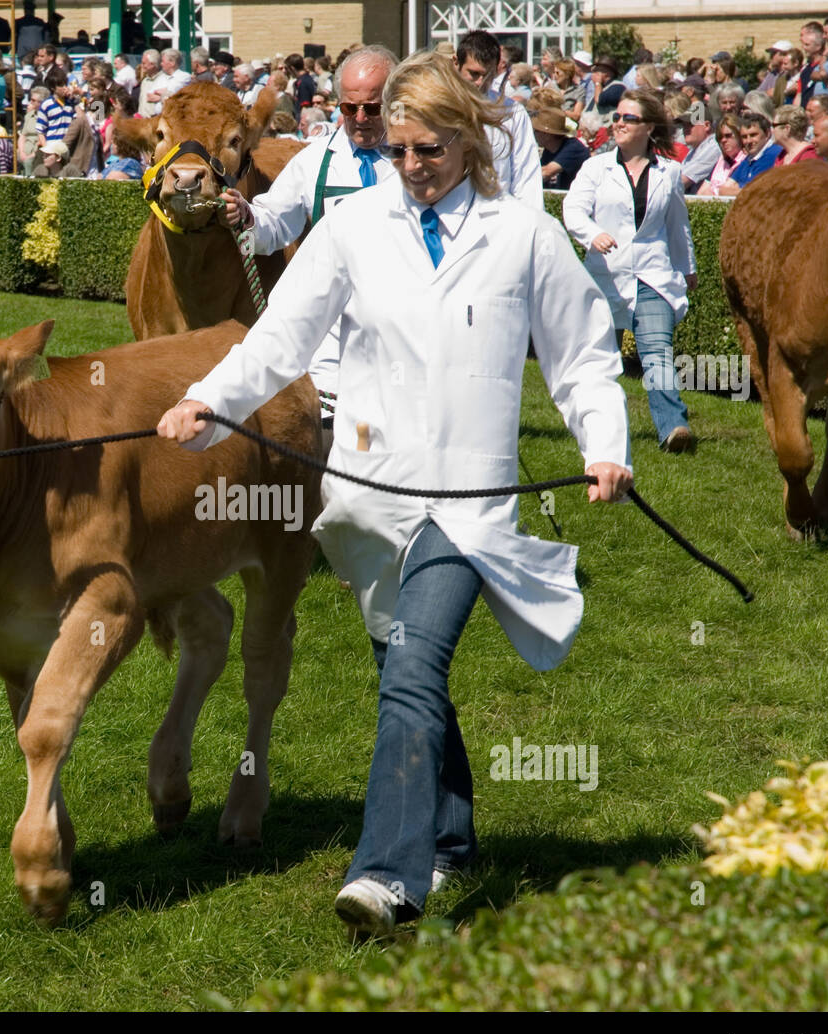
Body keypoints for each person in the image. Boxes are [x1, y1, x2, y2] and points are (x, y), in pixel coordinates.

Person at [158, 50, 632, 937]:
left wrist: (604, 445)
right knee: (406, 672)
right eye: (401, 151)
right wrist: (208, 402)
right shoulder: (352, 227)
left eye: (432, 150)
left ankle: (387, 876)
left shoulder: (525, 234)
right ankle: (451, 839)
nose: (413, 167)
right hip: (370, 501)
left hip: (470, 503)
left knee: (413, 664)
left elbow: (583, 355)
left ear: (471, 142)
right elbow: (280, 338)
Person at [220, 45, 398, 447]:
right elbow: (274, 223)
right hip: (332, 336)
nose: (360, 119)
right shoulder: (314, 161)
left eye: (372, 108)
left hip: (401, 331)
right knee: (333, 455)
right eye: (350, 109)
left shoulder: (419, 162)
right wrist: (248, 217)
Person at [564, 88, 699, 453]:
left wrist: (686, 267)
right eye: (617, 117)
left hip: (653, 275)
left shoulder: (669, 172)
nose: (619, 123)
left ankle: (674, 429)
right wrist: (593, 235)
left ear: (649, 128)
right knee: (599, 358)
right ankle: (595, 427)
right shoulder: (596, 167)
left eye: (629, 118)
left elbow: (677, 225)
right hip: (605, 274)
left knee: (657, 353)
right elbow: (573, 210)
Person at [455, 30, 542, 207]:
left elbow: (526, 175)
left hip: (498, 216)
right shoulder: (439, 107)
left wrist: (531, 225)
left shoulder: (512, 112)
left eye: (487, 75)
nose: (480, 82)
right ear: (456, 64)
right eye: (473, 74)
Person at [530, 104, 587, 187]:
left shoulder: (574, 148)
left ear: (547, 134)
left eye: (536, 130)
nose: (533, 134)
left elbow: (545, 172)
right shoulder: (549, 150)